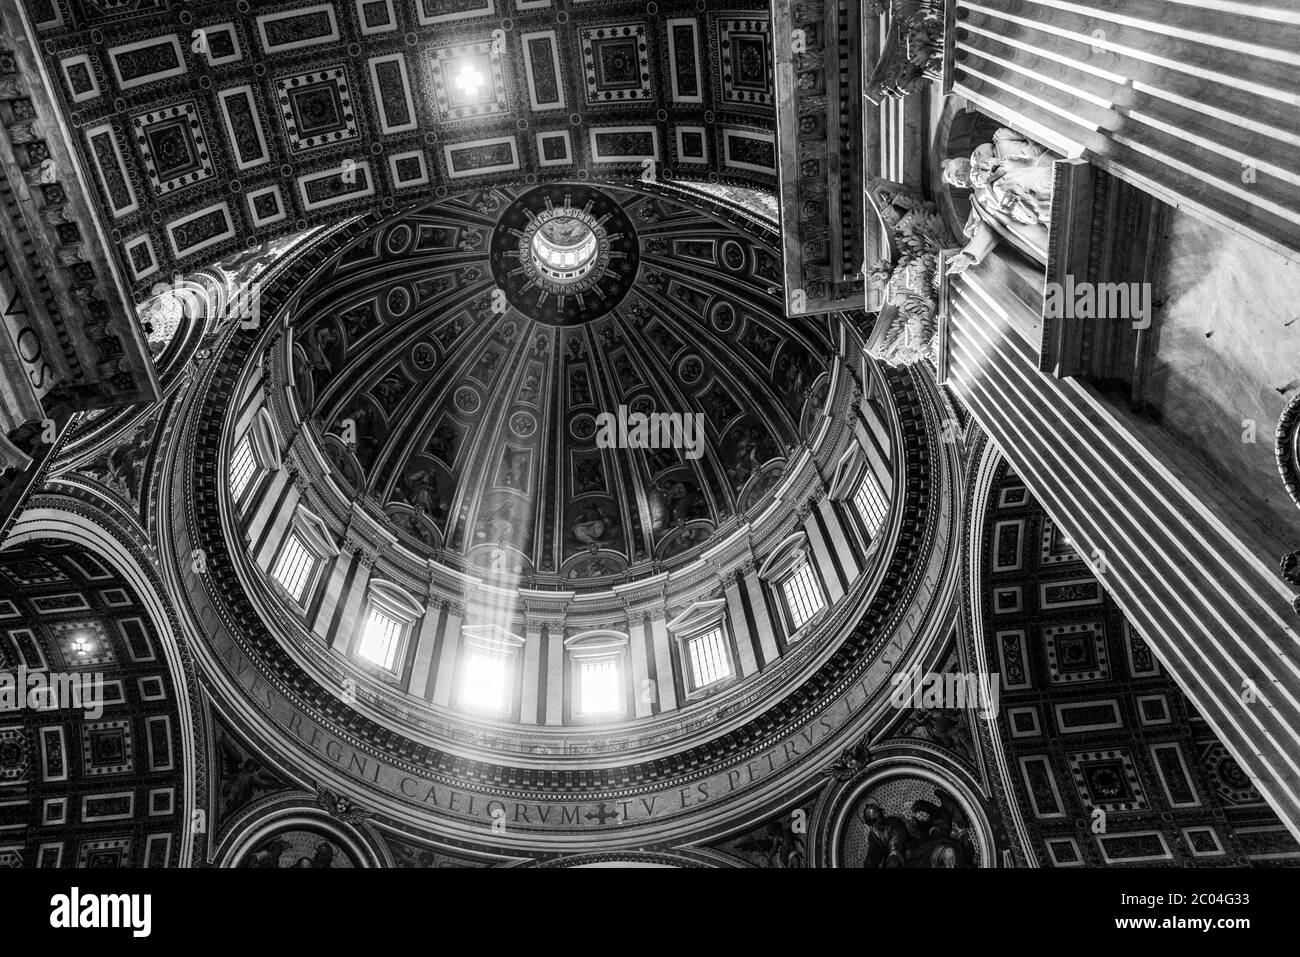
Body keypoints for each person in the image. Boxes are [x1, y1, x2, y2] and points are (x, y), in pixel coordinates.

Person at [942, 128, 1056, 273]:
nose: (956, 178)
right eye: (954, 181)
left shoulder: (1002, 140)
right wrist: (967, 255)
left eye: (955, 173)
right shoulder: (980, 202)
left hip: (1049, 176)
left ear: (967, 161)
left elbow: (1035, 133)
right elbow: (987, 229)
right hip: (1041, 221)